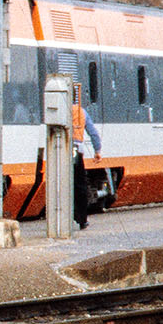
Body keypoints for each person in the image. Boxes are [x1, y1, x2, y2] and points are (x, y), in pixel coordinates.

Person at [71, 86, 101, 229]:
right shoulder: (81, 112)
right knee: (80, 185)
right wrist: (97, 150)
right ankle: (82, 219)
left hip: (60, 153)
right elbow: (93, 133)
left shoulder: (59, 111)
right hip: (77, 152)